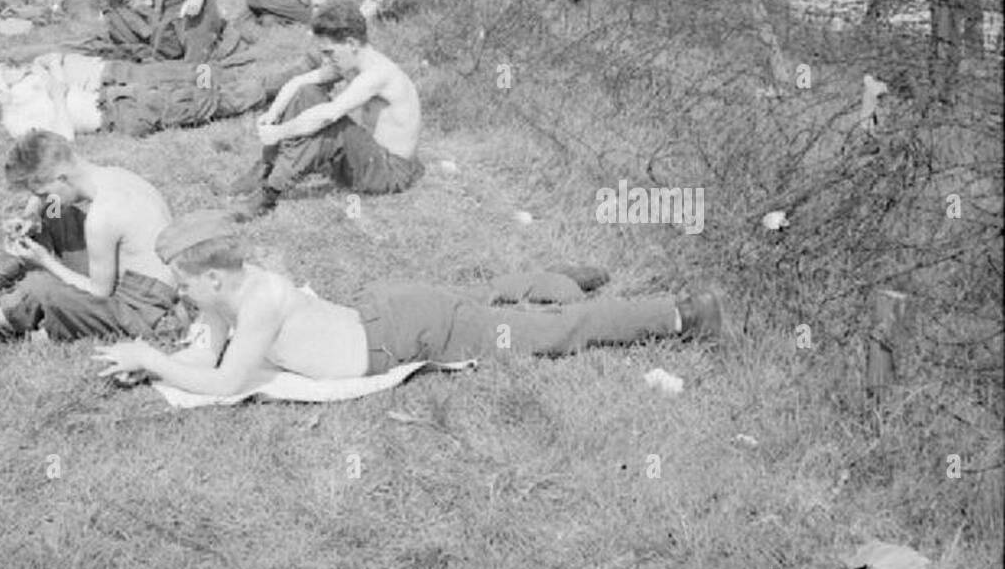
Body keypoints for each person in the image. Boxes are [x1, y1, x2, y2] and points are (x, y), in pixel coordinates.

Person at [93, 212, 726, 397]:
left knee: (553, 333)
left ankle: (682, 313)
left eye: (182, 280)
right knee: (477, 305)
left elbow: (226, 381)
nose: (176, 290)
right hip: (383, 310)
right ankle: (556, 277)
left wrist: (150, 357)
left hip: (401, 332)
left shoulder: (258, 299)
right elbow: (207, 343)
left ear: (212, 276)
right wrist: (165, 358)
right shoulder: (228, 286)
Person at [0, 131, 184, 344]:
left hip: (140, 306)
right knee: (55, 216)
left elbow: (100, 291)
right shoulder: (113, 176)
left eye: (43, 193)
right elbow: (52, 200)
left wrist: (46, 261)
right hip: (140, 279)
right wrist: (31, 217)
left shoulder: (104, 214)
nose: (43, 200)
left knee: (39, 286)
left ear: (61, 178)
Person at [230, 0, 422, 214]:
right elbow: (298, 83)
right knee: (307, 92)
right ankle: (266, 168)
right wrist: (273, 113)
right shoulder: (351, 62)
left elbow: (328, 115)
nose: (326, 59)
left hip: (388, 172)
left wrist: (279, 132)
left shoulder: (378, 74)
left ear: (351, 43)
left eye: (330, 52)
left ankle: (269, 194)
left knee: (331, 126)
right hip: (366, 158)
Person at [0, 48, 300, 141]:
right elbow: (65, 138)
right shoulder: (17, 125)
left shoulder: (6, 93)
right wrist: (57, 93)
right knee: (204, 101)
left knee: (189, 83)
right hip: (120, 112)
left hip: (114, 93)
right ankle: (283, 85)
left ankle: (278, 82)